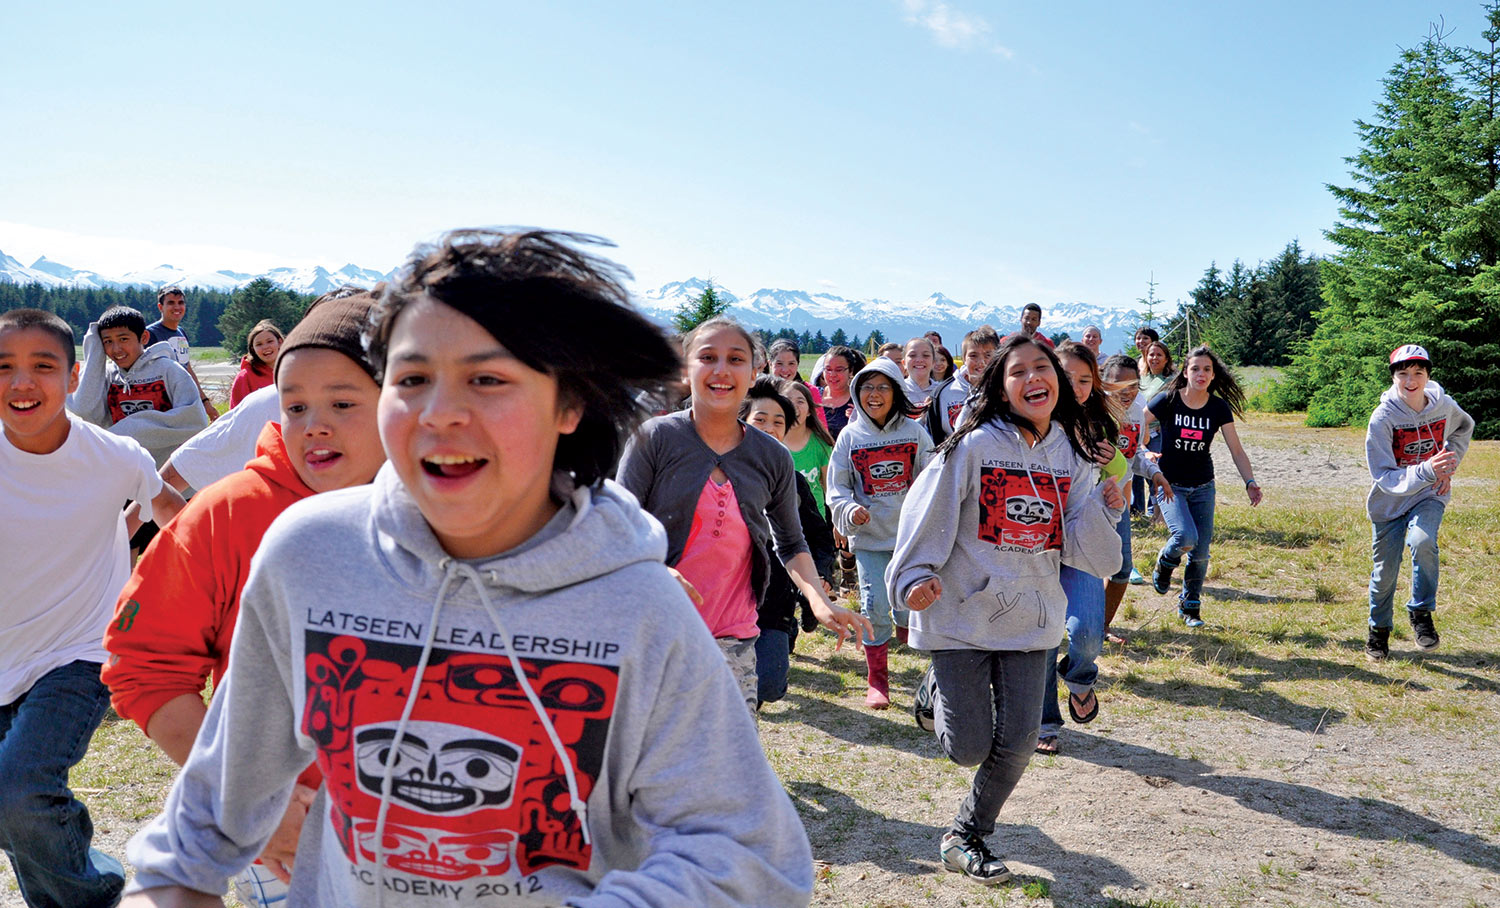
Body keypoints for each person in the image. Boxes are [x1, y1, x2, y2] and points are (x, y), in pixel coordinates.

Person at [121, 229, 816, 908]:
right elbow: (197, 834)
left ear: (569, 403)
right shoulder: (308, 555)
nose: (441, 414)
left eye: (487, 379)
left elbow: (749, 855)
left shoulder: (637, 607)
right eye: (412, 378)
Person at [103, 292, 385, 906]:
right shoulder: (228, 514)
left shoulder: (465, 519)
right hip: (285, 832)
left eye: (343, 402)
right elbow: (144, 667)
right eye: (295, 403)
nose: (314, 423)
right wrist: (257, 800)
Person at [888, 334, 1124, 884]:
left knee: (1017, 744)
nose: (1032, 377)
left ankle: (964, 835)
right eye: (1017, 371)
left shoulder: (1073, 451)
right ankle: (934, 688)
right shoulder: (971, 446)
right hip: (960, 616)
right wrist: (916, 577)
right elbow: (926, 514)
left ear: (1059, 382)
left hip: (1033, 615)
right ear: (1001, 385)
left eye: (1042, 368)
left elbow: (1090, 553)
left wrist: (1102, 508)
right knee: (969, 748)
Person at [0, 309, 185, 908]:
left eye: (42, 366)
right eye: (4, 368)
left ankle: (98, 896)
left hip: (80, 652)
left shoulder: (115, 455)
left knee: (19, 790)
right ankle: (89, 884)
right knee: (12, 805)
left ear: (75, 375)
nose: (22, 383)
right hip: (5, 654)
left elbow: (177, 513)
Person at [618, 317, 871, 712]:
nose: (721, 370)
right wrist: (655, 570)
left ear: (754, 373)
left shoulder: (771, 456)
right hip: (653, 631)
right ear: (687, 370)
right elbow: (618, 525)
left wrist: (819, 600)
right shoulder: (654, 438)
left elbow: (790, 541)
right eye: (707, 357)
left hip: (734, 635)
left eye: (735, 359)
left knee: (728, 762)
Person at [1035, 342, 1125, 755]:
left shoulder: (1099, 424)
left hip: (1081, 542)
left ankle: (1080, 677)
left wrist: (1117, 465)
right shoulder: (1031, 420)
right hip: (1034, 543)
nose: (1076, 386)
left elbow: (1117, 477)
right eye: (1067, 377)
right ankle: (1044, 723)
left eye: (1085, 379)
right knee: (1044, 634)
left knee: (1087, 632)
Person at [827, 357, 932, 708]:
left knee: (905, 605)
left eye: (882, 386)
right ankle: (878, 681)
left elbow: (932, 478)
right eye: (867, 387)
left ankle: (904, 629)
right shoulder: (850, 437)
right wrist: (848, 511)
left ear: (896, 391)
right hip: (870, 539)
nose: (874, 394)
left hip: (909, 539)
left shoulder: (915, 433)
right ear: (857, 393)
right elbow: (837, 488)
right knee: (874, 606)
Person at [1363, 343, 1474, 660]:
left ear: (1427, 375)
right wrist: (1428, 468)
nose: (1411, 381)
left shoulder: (1443, 405)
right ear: (1393, 377)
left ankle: (1421, 614)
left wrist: (1448, 466)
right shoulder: (1382, 418)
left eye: (1418, 373)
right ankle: (1378, 631)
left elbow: (1464, 428)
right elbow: (1383, 474)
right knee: (1384, 574)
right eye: (1403, 374)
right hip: (1388, 503)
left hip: (1429, 495)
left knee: (1423, 541)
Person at [1144, 345, 1262, 627]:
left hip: (1203, 486)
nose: (1201, 373)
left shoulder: (1218, 407)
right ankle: (1165, 561)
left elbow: (1236, 449)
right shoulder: (1167, 400)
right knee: (1185, 538)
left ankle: (1190, 606)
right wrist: (1144, 450)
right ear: (1185, 372)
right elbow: (1135, 424)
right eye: (1195, 368)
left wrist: (1250, 481)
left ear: (1212, 375)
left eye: (1206, 369)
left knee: (1201, 551)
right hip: (1170, 484)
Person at [740, 377, 836, 705]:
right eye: (760, 419)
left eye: (778, 422)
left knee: (767, 686)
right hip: (723, 598)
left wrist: (820, 575)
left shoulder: (793, 482)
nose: (769, 427)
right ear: (741, 422)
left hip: (775, 599)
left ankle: (788, 631)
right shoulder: (717, 474)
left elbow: (817, 535)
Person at [67, 306, 210, 468]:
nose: (116, 349)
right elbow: (84, 409)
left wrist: (124, 431)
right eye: (107, 342)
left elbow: (195, 422)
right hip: (124, 475)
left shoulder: (169, 371)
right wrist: (95, 349)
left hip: (171, 478)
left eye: (123, 339)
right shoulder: (107, 377)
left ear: (144, 337)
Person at [1099, 353, 1172, 643]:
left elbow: (1134, 453)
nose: (1127, 392)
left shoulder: (1137, 412)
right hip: (1085, 504)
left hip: (1119, 504)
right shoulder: (1090, 412)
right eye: (1120, 385)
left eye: (1133, 385)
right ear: (1104, 383)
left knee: (1122, 570)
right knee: (1086, 571)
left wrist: (1154, 471)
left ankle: (1102, 626)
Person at [145, 286, 219, 423]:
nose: (177, 307)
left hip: (184, 400)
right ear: (160, 307)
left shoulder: (181, 332)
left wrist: (205, 402)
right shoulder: (150, 334)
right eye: (171, 303)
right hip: (161, 406)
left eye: (180, 302)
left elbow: (187, 369)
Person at [926, 325, 1000, 445]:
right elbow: (935, 439)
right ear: (963, 358)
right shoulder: (942, 393)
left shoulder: (1006, 392)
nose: (981, 362)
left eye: (988, 355)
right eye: (973, 355)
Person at [780, 378, 836, 520]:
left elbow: (830, 489)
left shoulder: (820, 444)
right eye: (788, 400)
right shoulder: (771, 444)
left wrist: (837, 523)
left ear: (810, 411)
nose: (794, 406)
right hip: (780, 522)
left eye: (800, 401)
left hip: (815, 521)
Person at [1136, 340, 1174, 517]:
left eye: (1159, 355)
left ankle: (1157, 514)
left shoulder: (1171, 380)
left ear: (1166, 359)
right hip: (1137, 430)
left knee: (1156, 473)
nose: (1154, 358)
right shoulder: (1141, 377)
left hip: (1157, 433)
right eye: (1151, 354)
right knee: (1138, 472)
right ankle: (1140, 510)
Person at [768, 338, 827, 429]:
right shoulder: (761, 390)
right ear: (770, 364)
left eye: (791, 363)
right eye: (779, 364)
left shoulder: (810, 391)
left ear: (798, 364)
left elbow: (822, 429)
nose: (785, 370)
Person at [229, 319, 283, 407]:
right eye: (259, 344)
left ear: (280, 342)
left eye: (270, 341)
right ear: (253, 349)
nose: (265, 347)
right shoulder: (245, 377)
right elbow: (238, 415)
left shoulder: (294, 372)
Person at [817, 345, 864, 440]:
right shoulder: (813, 396)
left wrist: (861, 420)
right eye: (828, 369)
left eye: (839, 370)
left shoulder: (859, 399)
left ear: (850, 371)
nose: (832, 375)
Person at [901, 335, 938, 407]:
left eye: (926, 355)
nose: (919, 360)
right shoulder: (897, 390)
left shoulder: (941, 391)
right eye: (912, 355)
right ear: (904, 363)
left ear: (933, 362)